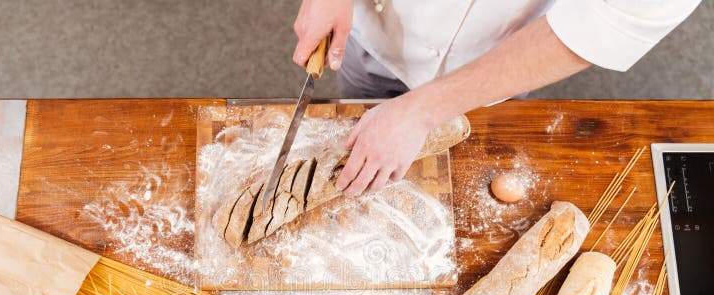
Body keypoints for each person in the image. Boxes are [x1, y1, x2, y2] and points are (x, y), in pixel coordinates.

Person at [292, 0, 701, 196]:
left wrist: (421, 112)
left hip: (496, 57)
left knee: (464, 156)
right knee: (363, 113)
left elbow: (609, 20)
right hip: (378, 23)